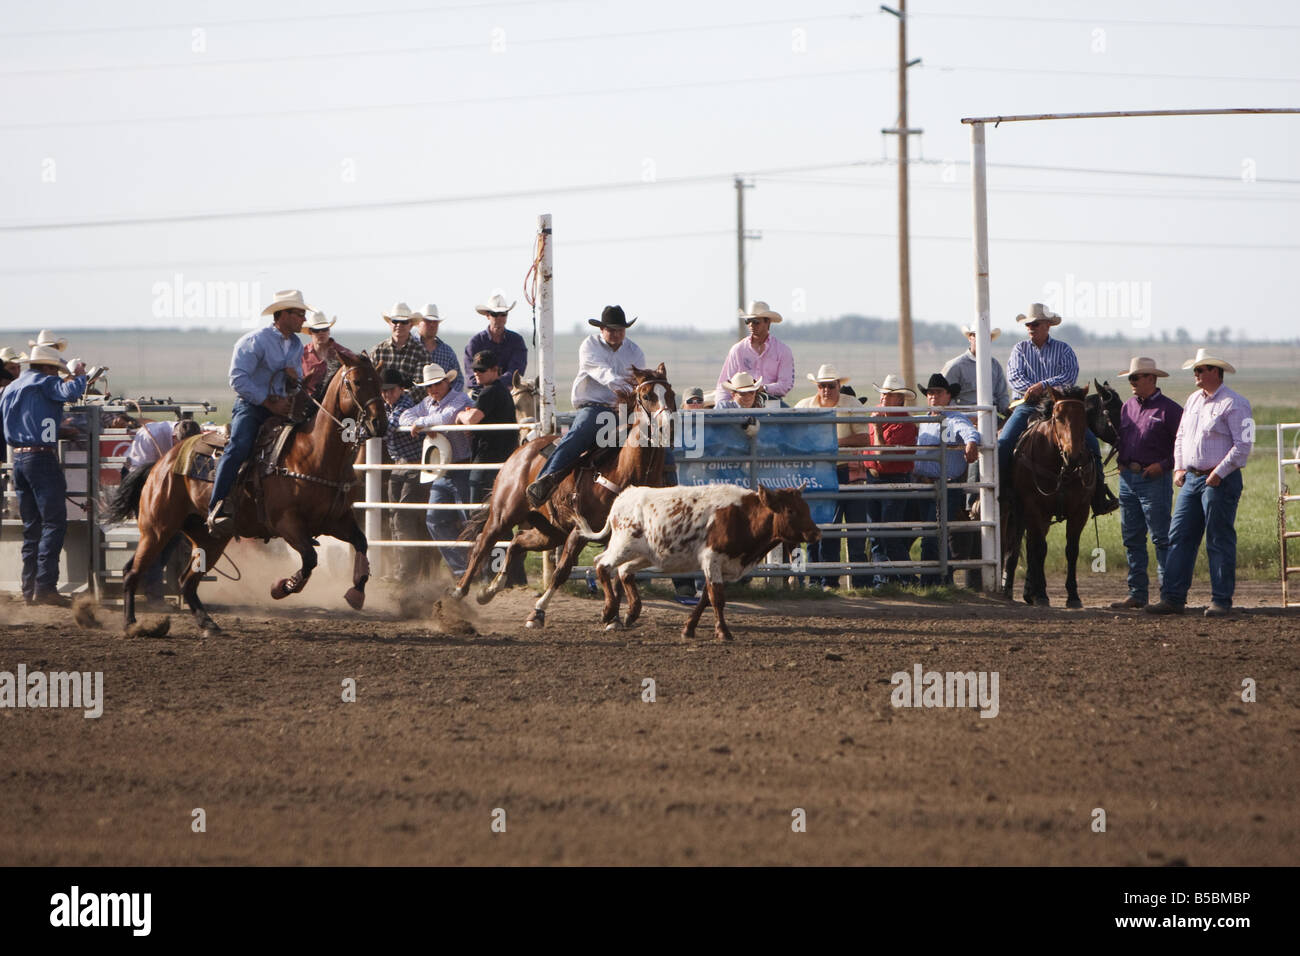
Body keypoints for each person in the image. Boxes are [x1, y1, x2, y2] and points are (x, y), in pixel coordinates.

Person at [1146, 349, 1252, 618]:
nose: (1196, 373)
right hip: (1193, 477)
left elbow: (1244, 446)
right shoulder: (1193, 400)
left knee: (1218, 538)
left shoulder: (1235, 403)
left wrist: (1218, 472)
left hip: (1219, 480)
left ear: (1215, 372)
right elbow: (1181, 436)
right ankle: (1172, 598)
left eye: (1201, 369)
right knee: (1179, 536)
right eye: (1195, 369)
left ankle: (1221, 600)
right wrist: (1179, 466)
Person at [997, 303, 1117, 515]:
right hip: (1027, 405)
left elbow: (1069, 376)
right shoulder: (1019, 349)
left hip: (1059, 407)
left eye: (1035, 324)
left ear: (1047, 326)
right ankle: (1003, 492)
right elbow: (1014, 377)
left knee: (1091, 444)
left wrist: (1042, 387)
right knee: (1003, 443)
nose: (1030, 327)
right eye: (1028, 324)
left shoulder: (1064, 350)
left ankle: (1098, 496)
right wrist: (1034, 390)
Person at [207, 289, 309, 534]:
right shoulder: (254, 341)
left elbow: (297, 377)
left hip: (282, 409)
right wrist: (267, 401)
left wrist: (295, 380)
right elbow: (237, 379)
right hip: (251, 408)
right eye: (299, 314)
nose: (304, 320)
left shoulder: (296, 344)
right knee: (239, 447)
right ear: (283, 314)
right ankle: (216, 507)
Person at [526, 305, 646, 509]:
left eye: (620, 330)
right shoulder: (590, 345)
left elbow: (640, 380)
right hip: (594, 407)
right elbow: (603, 373)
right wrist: (630, 388)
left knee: (654, 441)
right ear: (601, 330)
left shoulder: (635, 351)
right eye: (612, 329)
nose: (617, 334)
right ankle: (545, 481)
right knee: (579, 433)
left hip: (625, 410)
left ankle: (667, 486)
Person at [0, 343, 88, 605]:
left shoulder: (10, 389)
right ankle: (46, 587)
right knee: (53, 522)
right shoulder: (45, 383)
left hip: (19, 459)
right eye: (55, 370)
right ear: (48, 367)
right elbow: (71, 391)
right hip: (42, 459)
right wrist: (80, 374)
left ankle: (29, 590)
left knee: (31, 527)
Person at [1109, 357, 1183, 610]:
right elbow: (1122, 438)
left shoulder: (1170, 410)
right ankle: (1137, 593)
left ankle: (1168, 595)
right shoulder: (1127, 407)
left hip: (1154, 478)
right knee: (1132, 538)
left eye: (1135, 377)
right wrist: (1120, 462)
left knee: (1161, 537)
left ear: (1151, 379)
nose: (1131, 382)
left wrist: (1162, 466)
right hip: (1128, 478)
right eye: (1130, 377)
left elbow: (1183, 447)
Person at [796, 364, 872, 588]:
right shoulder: (804, 406)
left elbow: (864, 438)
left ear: (839, 385)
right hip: (820, 471)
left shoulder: (852, 405)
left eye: (830, 386)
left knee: (855, 528)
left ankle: (859, 582)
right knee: (824, 527)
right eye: (822, 386)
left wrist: (832, 444)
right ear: (817, 387)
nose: (826, 390)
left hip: (847, 469)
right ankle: (825, 578)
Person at [400, 363, 472, 578]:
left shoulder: (460, 399)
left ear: (447, 382)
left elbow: (447, 418)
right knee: (434, 519)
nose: (433, 389)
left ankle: (475, 565)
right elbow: (405, 416)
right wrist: (422, 423)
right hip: (442, 471)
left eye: (437, 384)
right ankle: (462, 568)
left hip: (462, 467)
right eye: (429, 386)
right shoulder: (427, 403)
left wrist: (422, 424)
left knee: (468, 518)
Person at [120, 418, 202, 603]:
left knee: (173, 536)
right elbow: (138, 475)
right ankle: (154, 596)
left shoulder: (195, 438)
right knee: (156, 536)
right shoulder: (150, 436)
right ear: (174, 437)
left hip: (170, 485)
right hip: (140, 480)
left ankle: (138, 572)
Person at [913, 374, 981, 587]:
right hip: (923, 483)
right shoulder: (925, 419)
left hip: (946, 484)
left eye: (938, 392)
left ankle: (933, 581)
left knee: (933, 534)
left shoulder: (953, 418)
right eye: (930, 393)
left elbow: (968, 430)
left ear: (948, 395)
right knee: (933, 533)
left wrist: (971, 441)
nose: (933, 396)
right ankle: (937, 580)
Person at [861, 374, 920, 588]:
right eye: (884, 393)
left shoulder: (905, 425)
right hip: (874, 478)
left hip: (893, 479)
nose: (885, 397)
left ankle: (906, 579)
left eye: (890, 394)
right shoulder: (882, 415)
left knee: (889, 534)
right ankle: (883, 580)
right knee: (877, 534)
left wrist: (876, 428)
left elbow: (881, 455)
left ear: (900, 399)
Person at [378, 367, 427, 582]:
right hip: (399, 466)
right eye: (384, 391)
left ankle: (406, 572)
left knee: (402, 518)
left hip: (413, 467)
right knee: (395, 517)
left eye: (391, 390)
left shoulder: (405, 406)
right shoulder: (391, 407)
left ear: (400, 389)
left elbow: (384, 430)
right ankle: (402, 569)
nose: (387, 394)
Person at [456, 350, 519, 507]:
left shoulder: (489, 392)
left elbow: (471, 420)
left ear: (495, 370)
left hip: (487, 460)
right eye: (475, 369)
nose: (477, 373)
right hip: (503, 459)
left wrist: (460, 416)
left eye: (482, 370)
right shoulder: (502, 391)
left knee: (477, 511)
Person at [715, 300, 795, 404]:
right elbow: (725, 383)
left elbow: (785, 384)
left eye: (756, 321)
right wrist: (721, 408)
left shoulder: (783, 351)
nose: (751, 325)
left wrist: (764, 388)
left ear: (768, 322)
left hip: (771, 401)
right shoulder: (738, 350)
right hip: (742, 402)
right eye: (748, 321)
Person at [942, 325, 1010, 418]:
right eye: (978, 336)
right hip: (963, 418)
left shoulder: (995, 365)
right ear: (970, 338)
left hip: (991, 416)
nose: (982, 340)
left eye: (986, 337)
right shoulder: (955, 366)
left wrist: (1007, 411)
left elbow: (1002, 396)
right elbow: (944, 398)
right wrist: (960, 416)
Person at [464, 290, 528, 390]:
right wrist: (493, 385)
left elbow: (517, 371)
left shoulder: (516, 341)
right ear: (487, 315)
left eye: (503, 314)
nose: (499, 318)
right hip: (481, 391)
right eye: (495, 314)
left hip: (509, 391)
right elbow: (471, 377)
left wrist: (497, 384)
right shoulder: (475, 342)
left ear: (507, 316)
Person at [372, 302, 430, 403]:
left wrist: (396, 401)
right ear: (390, 323)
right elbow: (370, 383)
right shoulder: (377, 351)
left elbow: (420, 388)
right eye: (395, 321)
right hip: (380, 408)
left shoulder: (421, 352)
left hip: (410, 409)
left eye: (404, 322)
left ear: (411, 325)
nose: (399, 325)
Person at [300, 311, 358, 402]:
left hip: (337, 404)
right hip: (308, 404)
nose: (321, 333)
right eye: (316, 330)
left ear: (329, 330)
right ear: (310, 332)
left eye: (324, 329)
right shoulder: (301, 355)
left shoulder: (344, 354)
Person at [412, 304, 464, 393]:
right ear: (418, 324)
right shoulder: (410, 346)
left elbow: (458, 380)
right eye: (428, 321)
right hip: (413, 402)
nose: (432, 324)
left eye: (435, 322)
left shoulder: (447, 351)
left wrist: (448, 399)